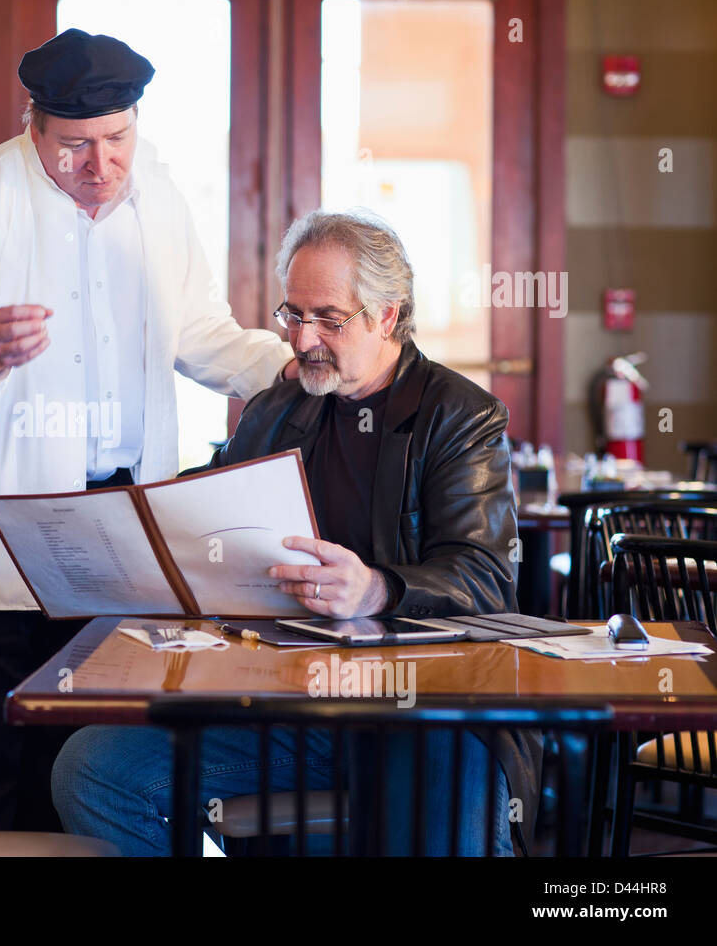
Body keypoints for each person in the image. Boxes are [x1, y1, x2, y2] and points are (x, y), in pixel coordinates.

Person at [0, 29, 294, 831]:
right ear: (33, 124)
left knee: (81, 769)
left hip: (113, 535)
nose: (101, 166)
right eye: (75, 145)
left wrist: (290, 367)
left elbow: (200, 332)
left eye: (117, 139)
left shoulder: (160, 197)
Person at [52, 209, 540, 855]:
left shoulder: (458, 415)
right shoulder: (278, 408)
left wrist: (375, 589)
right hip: (290, 702)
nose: (303, 339)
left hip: (427, 706)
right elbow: (204, 501)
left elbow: (482, 574)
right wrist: (120, 526)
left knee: (439, 831)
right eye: (292, 314)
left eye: (328, 319)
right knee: (94, 769)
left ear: (386, 316)